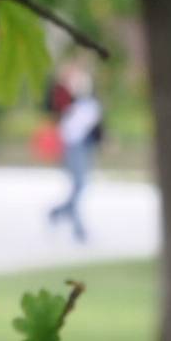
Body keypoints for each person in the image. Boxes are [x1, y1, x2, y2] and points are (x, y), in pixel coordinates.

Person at [45, 68, 104, 242]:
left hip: (85, 147)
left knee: (81, 185)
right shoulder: (71, 105)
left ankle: (58, 212)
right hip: (74, 147)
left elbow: (97, 127)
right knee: (79, 185)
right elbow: (65, 125)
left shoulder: (91, 103)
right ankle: (78, 229)